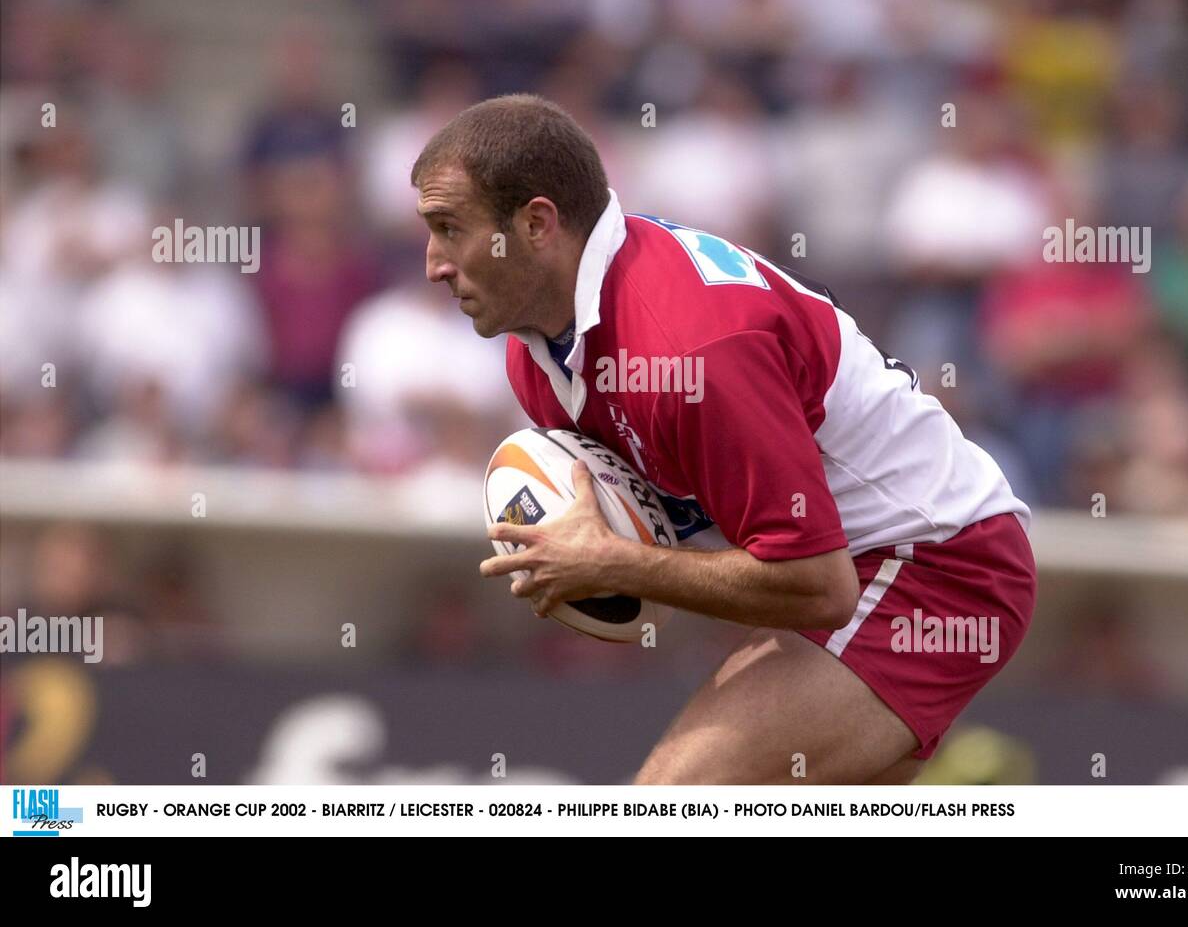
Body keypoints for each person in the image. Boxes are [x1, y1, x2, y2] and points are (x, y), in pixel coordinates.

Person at [411, 94, 1035, 785]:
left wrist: (611, 564)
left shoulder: (692, 352)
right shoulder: (539, 348)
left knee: (670, 805)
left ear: (536, 224)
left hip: (935, 572)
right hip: (848, 568)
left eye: (449, 228)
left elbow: (817, 585)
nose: (434, 262)